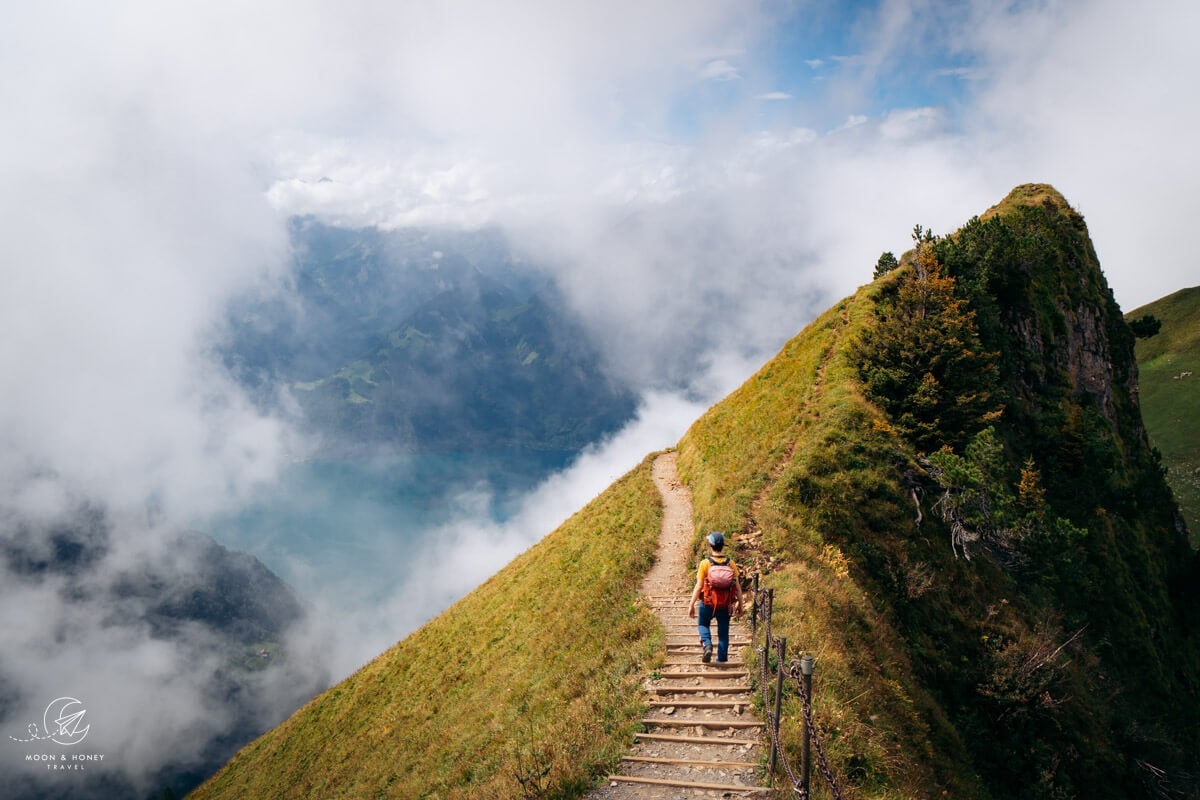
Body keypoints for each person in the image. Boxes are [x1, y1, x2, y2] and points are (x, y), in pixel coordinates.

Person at [687, 531, 743, 663]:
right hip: (725, 604)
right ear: (723, 546)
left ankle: (707, 644)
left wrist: (691, 604)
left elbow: (699, 586)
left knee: (702, 624)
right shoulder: (731, 563)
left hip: (707, 602)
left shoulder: (705, 563)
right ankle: (722, 659)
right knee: (723, 633)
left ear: (710, 545)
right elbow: (738, 587)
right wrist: (741, 604)